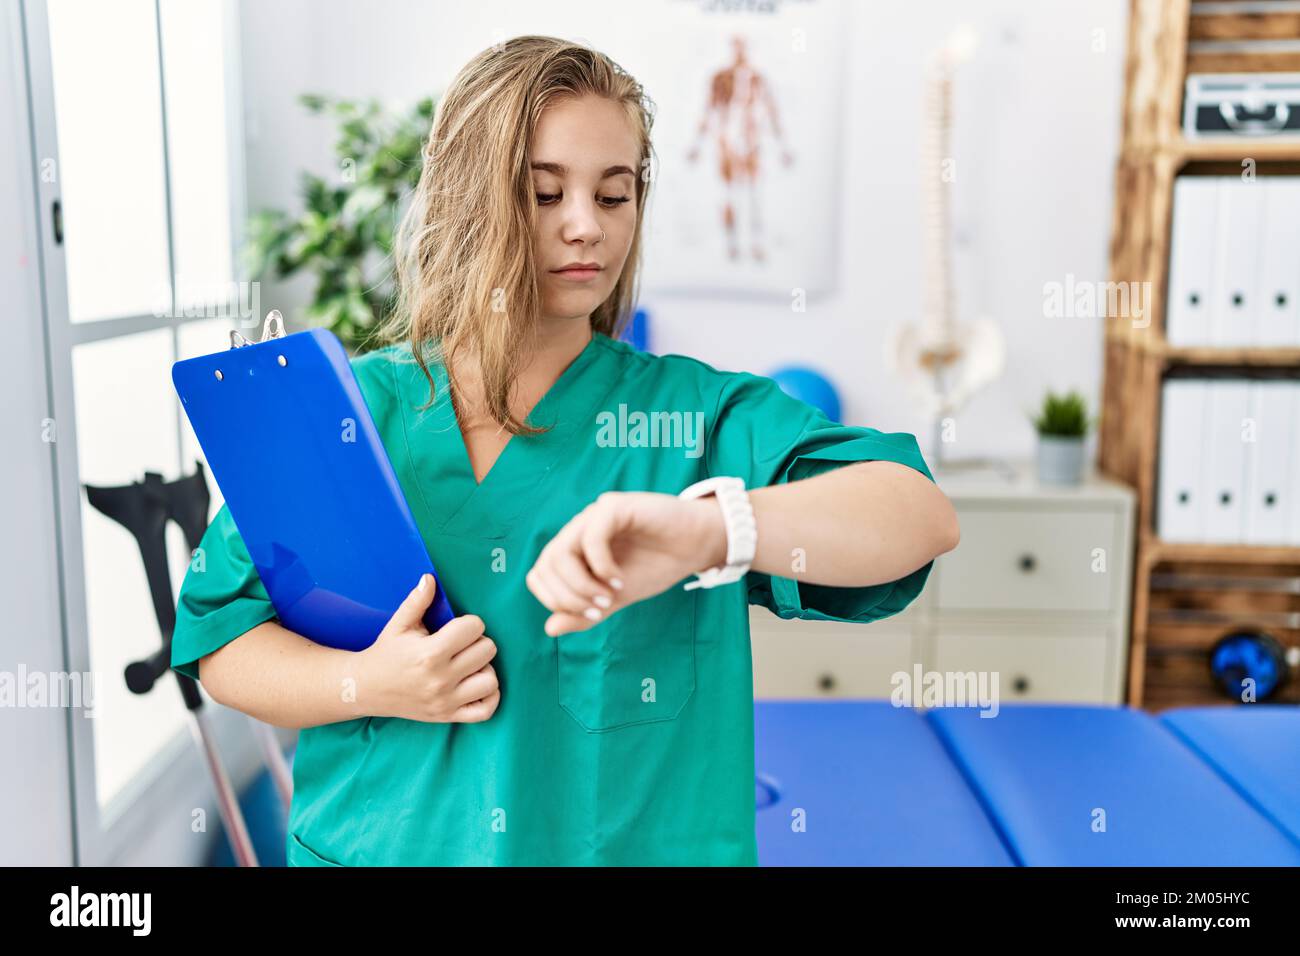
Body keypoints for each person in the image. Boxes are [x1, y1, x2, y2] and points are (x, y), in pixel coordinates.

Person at [171, 35, 960, 867]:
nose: (586, 227)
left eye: (614, 196)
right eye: (545, 193)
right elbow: (221, 640)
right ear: (467, 197)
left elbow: (917, 515)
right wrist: (371, 685)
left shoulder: (691, 420)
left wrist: (713, 531)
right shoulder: (349, 412)